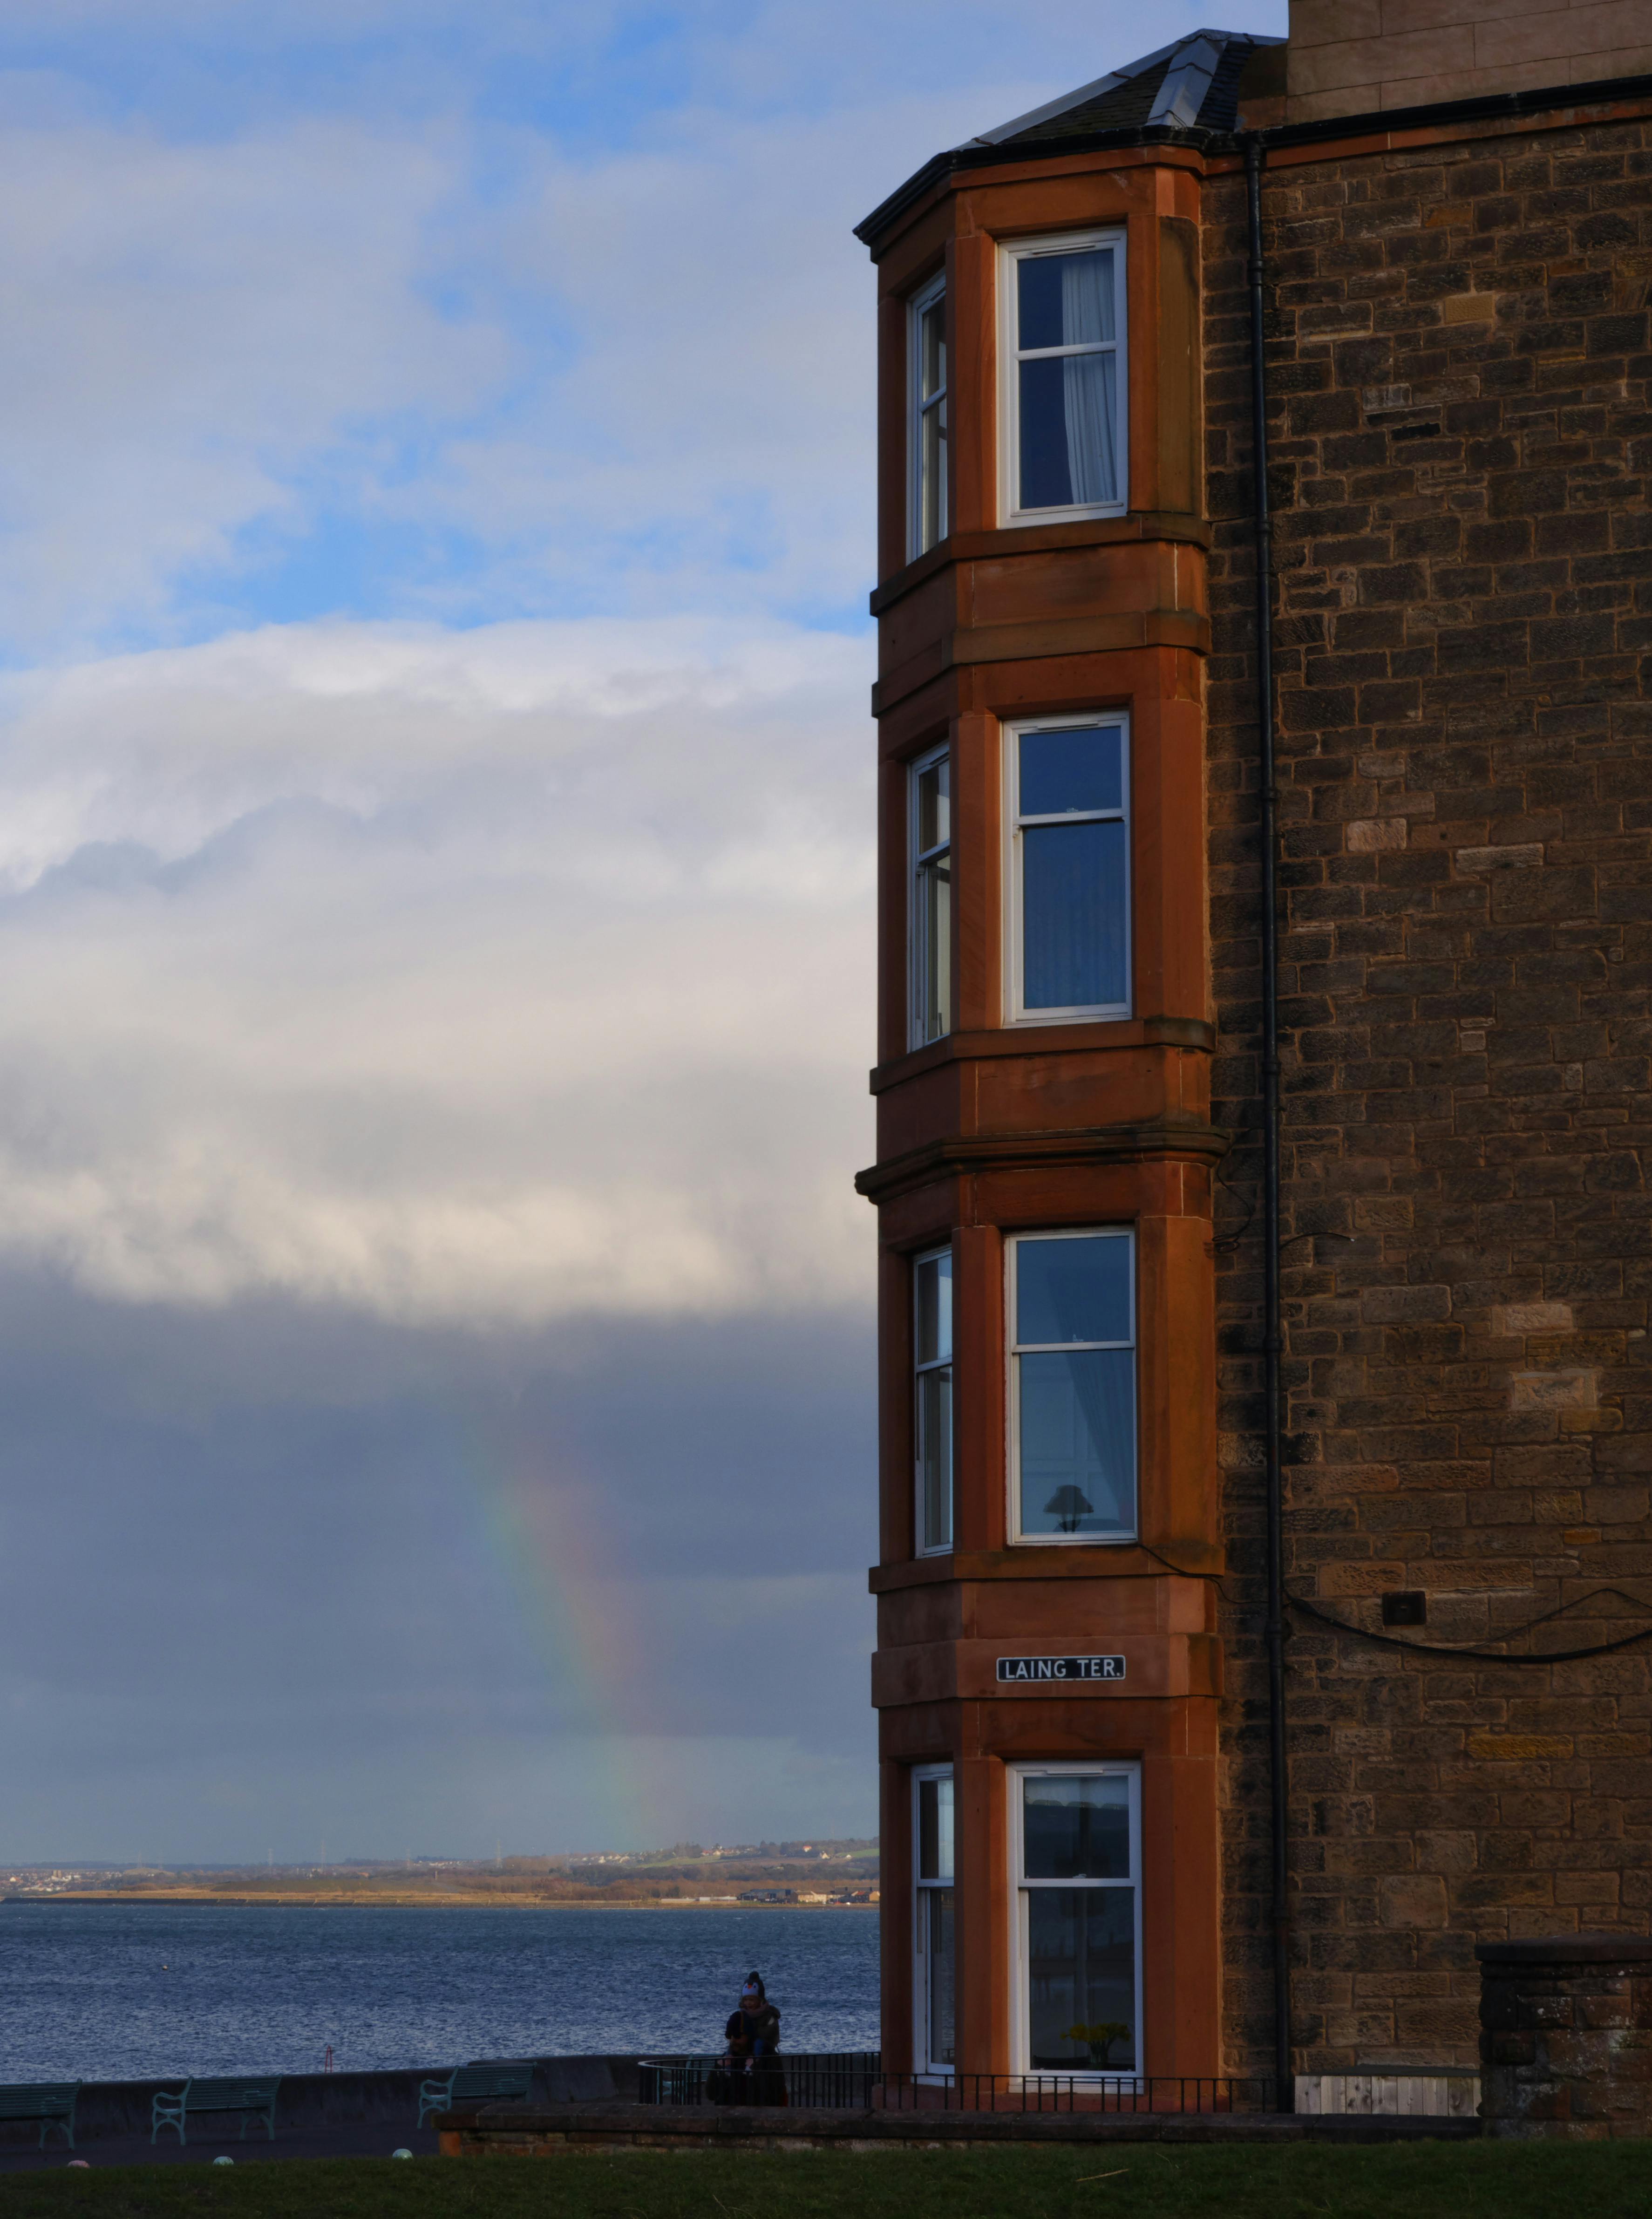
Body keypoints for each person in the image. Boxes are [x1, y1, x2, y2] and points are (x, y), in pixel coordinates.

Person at [718, 1972, 783, 2105]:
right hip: (747, 2046)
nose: (748, 2003)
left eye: (752, 2000)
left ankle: (753, 2062)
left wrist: (754, 2033)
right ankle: (727, 2066)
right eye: (746, 2000)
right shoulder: (742, 2015)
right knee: (730, 2047)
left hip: (764, 2043)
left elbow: (771, 2031)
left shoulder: (769, 2015)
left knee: (759, 2043)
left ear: (760, 2000)